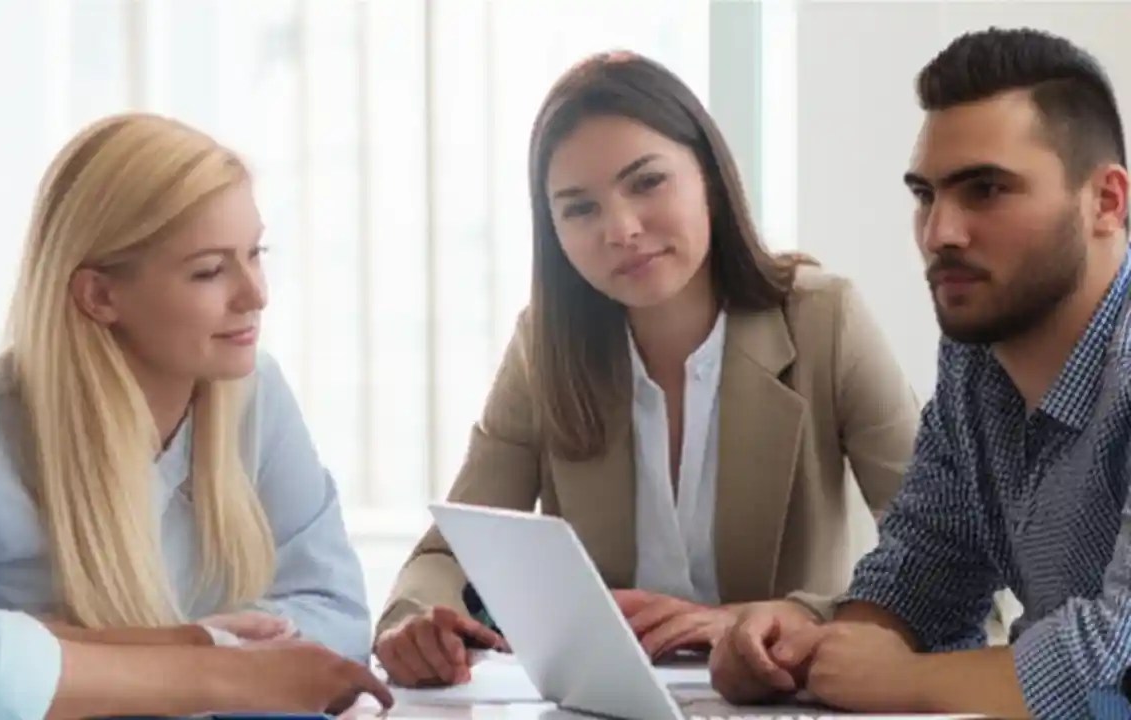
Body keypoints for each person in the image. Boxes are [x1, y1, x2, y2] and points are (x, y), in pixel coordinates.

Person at [0, 23, 390, 719]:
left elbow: (337, 618)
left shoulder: (255, 397)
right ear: (99, 294)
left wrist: (181, 651)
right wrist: (213, 667)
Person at [374, 50, 921, 688]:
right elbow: (447, 555)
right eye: (580, 209)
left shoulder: (826, 320)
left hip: (780, 698)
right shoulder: (544, 347)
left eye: (646, 183)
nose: (622, 229)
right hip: (612, 700)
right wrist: (411, 622)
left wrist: (773, 621)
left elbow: (944, 565)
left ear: (709, 178)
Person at [709, 27, 1131, 719]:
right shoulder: (976, 362)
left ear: (1106, 203)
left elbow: (1118, 661)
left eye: (986, 190)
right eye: (925, 196)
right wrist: (807, 649)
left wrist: (901, 681)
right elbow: (925, 567)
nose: (940, 233)